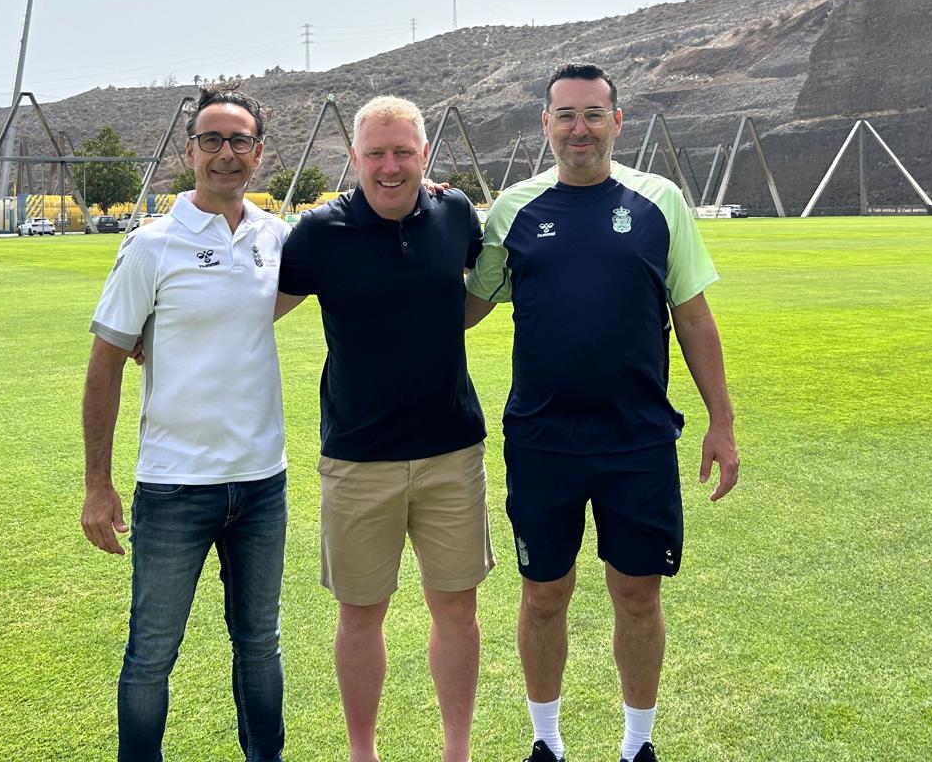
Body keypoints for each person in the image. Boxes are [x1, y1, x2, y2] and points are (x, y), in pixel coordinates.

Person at [464, 63, 739, 762]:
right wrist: (418, 233)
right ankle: (547, 743)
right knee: (544, 592)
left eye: (593, 114)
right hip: (542, 439)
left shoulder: (659, 201)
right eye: (565, 115)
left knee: (638, 594)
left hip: (637, 440)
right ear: (545, 125)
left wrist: (722, 422)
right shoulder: (514, 209)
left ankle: (637, 745)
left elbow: (694, 317)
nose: (578, 128)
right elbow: (469, 308)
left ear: (618, 122)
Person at [277, 95, 492, 762]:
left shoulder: (455, 213)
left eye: (403, 152)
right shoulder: (319, 232)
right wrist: (155, 336)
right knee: (360, 615)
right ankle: (362, 753)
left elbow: (475, 295)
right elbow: (253, 314)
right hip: (357, 459)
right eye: (376, 153)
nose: (390, 166)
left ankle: (456, 751)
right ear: (354, 160)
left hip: (452, 452)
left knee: (456, 611)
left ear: (425, 156)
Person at [81, 88, 293, 762]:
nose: (224, 154)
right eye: (211, 140)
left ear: (258, 155)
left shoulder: (276, 236)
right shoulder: (152, 246)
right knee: (151, 653)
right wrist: (97, 484)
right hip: (174, 488)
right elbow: (105, 363)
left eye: (238, 142)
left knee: (260, 645)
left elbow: (266, 305)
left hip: (263, 484)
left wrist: (429, 190)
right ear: (188, 152)